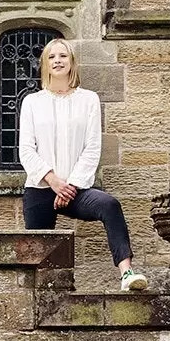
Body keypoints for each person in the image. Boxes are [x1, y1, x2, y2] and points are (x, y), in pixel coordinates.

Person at [19, 38, 149, 292]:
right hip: (41, 188)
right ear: (45, 64)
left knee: (109, 205)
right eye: (52, 57)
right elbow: (26, 150)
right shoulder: (32, 102)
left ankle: (127, 273)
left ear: (72, 62)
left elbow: (92, 148)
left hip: (76, 190)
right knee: (39, 250)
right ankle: (46, 293)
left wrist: (71, 186)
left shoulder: (88, 100)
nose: (58, 61)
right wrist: (54, 181)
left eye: (63, 56)